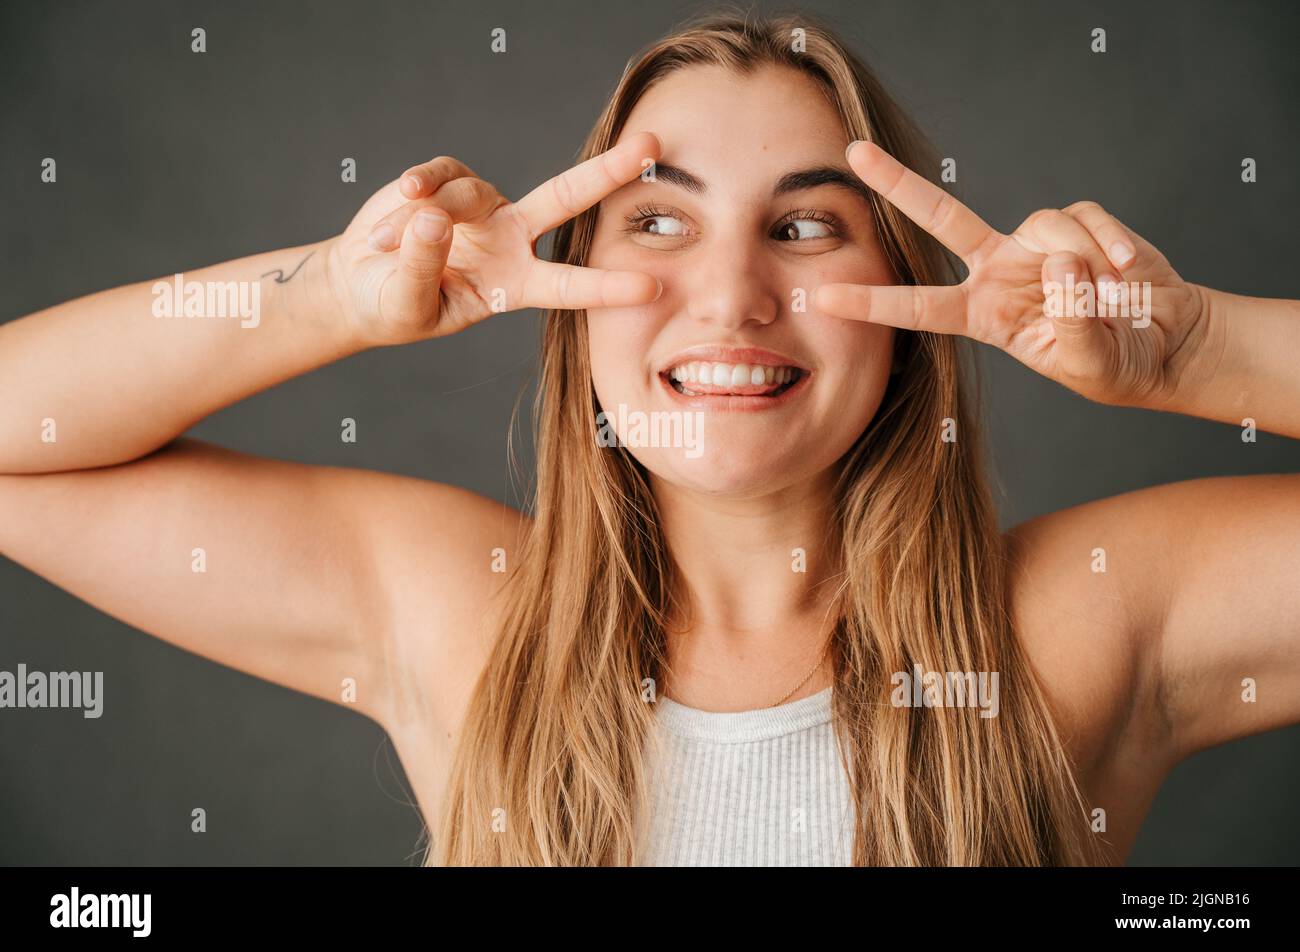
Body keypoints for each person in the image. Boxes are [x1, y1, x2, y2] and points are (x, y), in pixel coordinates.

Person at [1, 11, 1297, 866]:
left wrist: (1195, 351)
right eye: (660, 224)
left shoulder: (1083, 620)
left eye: (804, 227)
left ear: (909, 313)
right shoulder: (464, 613)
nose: (731, 297)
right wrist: (336, 296)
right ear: (567, 299)